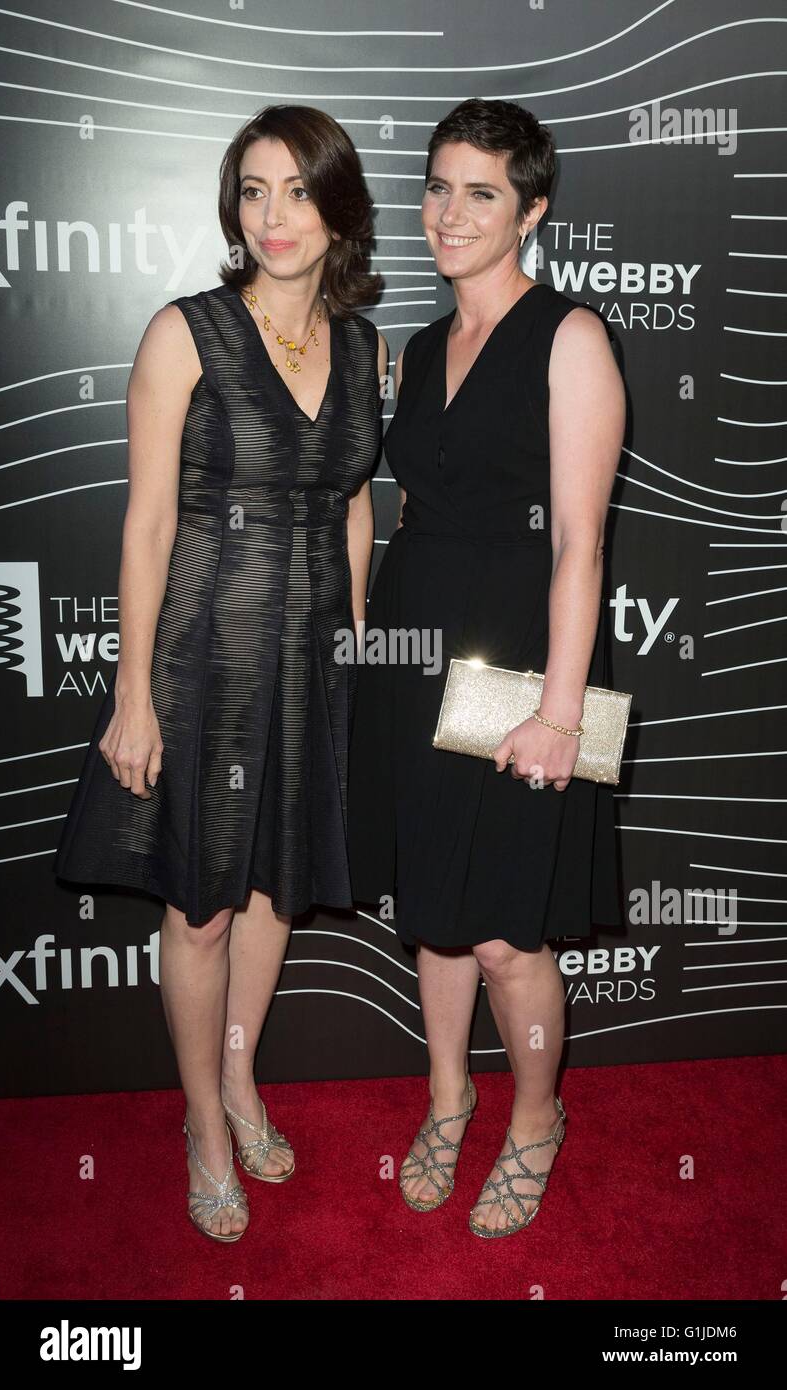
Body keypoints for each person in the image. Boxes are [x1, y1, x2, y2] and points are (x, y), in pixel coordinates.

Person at [55, 105, 386, 1242]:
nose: (274, 215)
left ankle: (242, 1082)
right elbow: (145, 527)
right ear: (231, 208)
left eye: (297, 189)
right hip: (201, 659)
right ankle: (203, 1121)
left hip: (310, 661)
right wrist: (132, 692)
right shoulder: (184, 333)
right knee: (198, 911)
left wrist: (357, 640)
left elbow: (351, 503)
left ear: (338, 206)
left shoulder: (362, 346)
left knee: (267, 893)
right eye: (253, 190)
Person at [347, 98, 626, 1237]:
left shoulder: (569, 335)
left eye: (481, 192)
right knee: (435, 917)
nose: (449, 213)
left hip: (523, 662)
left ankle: (534, 1121)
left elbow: (579, 540)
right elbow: (412, 510)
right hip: (420, 654)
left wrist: (560, 710)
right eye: (437, 185)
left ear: (531, 210)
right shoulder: (414, 348)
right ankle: (447, 1101)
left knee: (510, 930)